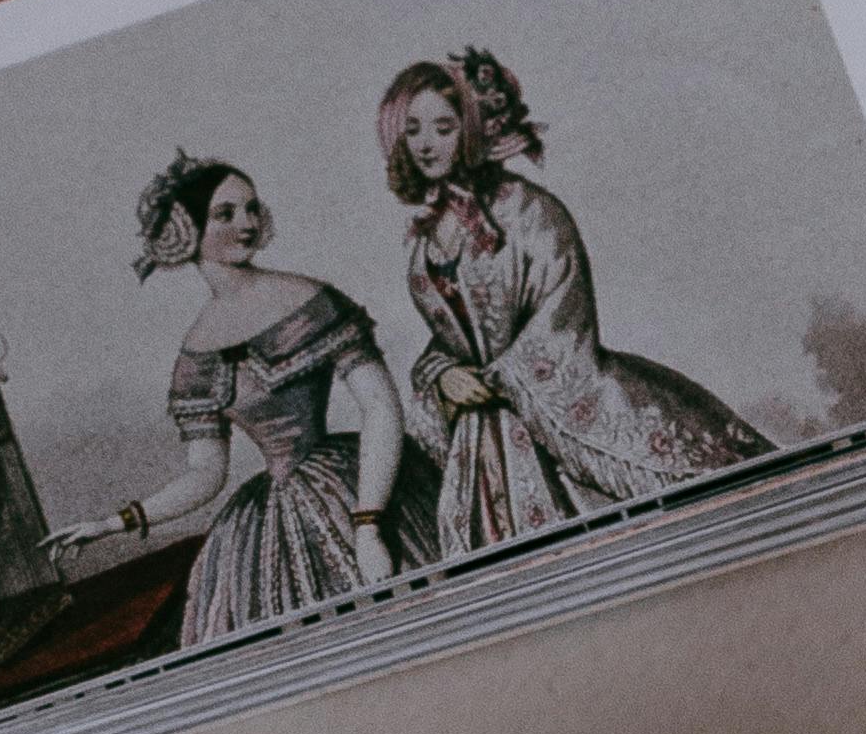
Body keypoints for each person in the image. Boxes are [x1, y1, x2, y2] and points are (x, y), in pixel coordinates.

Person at [376, 49, 763, 546]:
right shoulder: (426, 237)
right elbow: (451, 339)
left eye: (443, 128)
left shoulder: (530, 212)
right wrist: (443, 375)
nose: (426, 145)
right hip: (479, 436)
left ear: (472, 129)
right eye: (413, 130)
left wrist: (495, 379)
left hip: (550, 417)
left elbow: (563, 321)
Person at [115, 150, 423, 648]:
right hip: (266, 519)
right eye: (226, 214)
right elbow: (205, 473)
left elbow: (381, 408)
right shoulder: (195, 352)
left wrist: (368, 523)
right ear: (186, 230)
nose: (247, 224)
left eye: (252, 209)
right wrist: (117, 520)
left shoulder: (309, 300)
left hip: (352, 487)